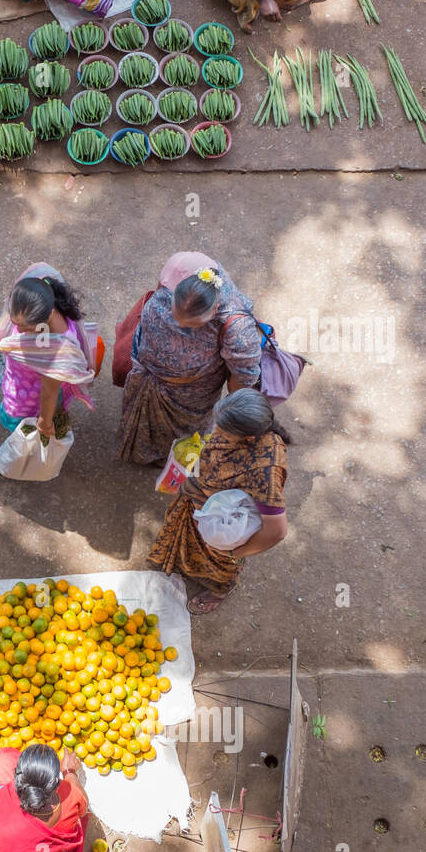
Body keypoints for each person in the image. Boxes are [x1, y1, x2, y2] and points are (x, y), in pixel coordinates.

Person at [147, 389, 290, 615]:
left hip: (222, 526)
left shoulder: (265, 471)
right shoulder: (237, 434)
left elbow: (277, 530)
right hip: (197, 506)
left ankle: (219, 591)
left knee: (218, 564)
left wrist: (238, 552)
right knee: (191, 545)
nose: (216, 433)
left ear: (248, 438)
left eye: (223, 431)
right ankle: (184, 563)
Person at [114, 252, 263, 466]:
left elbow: (243, 380)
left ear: (214, 310)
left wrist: (230, 419)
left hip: (187, 400)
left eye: (191, 325)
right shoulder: (183, 266)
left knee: (178, 438)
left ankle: (168, 458)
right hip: (146, 374)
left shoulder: (238, 330)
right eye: (174, 316)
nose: (178, 327)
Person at [0, 263, 100, 442]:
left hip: (30, 398)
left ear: (47, 316)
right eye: (14, 322)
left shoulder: (58, 354)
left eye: (23, 326)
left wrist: (44, 422)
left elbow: (49, 393)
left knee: (24, 430)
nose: (16, 329)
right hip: (22, 383)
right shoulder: (41, 298)